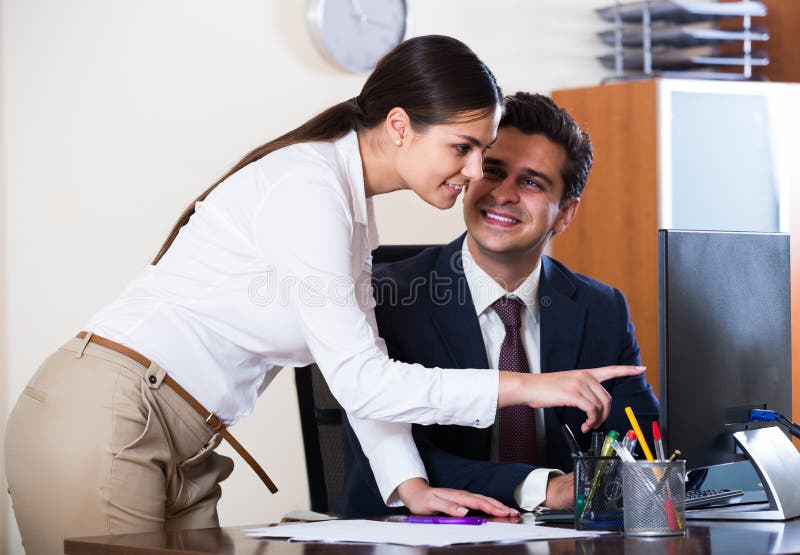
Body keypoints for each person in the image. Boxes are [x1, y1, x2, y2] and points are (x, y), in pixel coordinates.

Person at [4, 37, 644, 554]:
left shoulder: (351, 209)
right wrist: (531, 387)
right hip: (112, 413)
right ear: (399, 126)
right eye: (465, 148)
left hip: (177, 432)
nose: (476, 173)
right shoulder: (309, 191)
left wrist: (411, 485)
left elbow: (355, 376)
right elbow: (368, 382)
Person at [338, 92, 659, 517]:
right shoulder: (391, 296)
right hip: (420, 538)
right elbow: (388, 453)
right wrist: (541, 488)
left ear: (565, 213)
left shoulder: (602, 309)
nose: (502, 194)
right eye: (493, 170)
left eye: (530, 182)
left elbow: (638, 451)